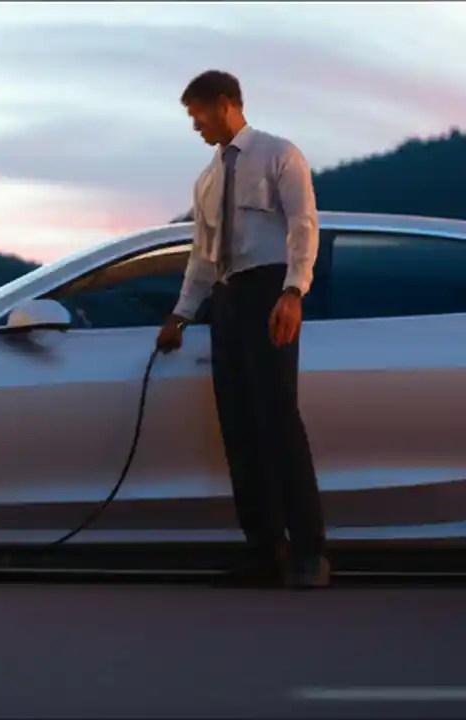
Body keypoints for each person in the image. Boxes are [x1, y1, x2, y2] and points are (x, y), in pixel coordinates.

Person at [156, 70, 330, 589]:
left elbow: (303, 226)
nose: (196, 126)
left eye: (199, 114)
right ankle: (264, 552)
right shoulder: (207, 179)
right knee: (238, 428)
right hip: (228, 301)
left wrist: (294, 291)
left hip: (270, 291)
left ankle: (309, 554)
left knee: (278, 421)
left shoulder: (279, 154)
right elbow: (201, 258)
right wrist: (182, 313)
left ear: (226, 104)